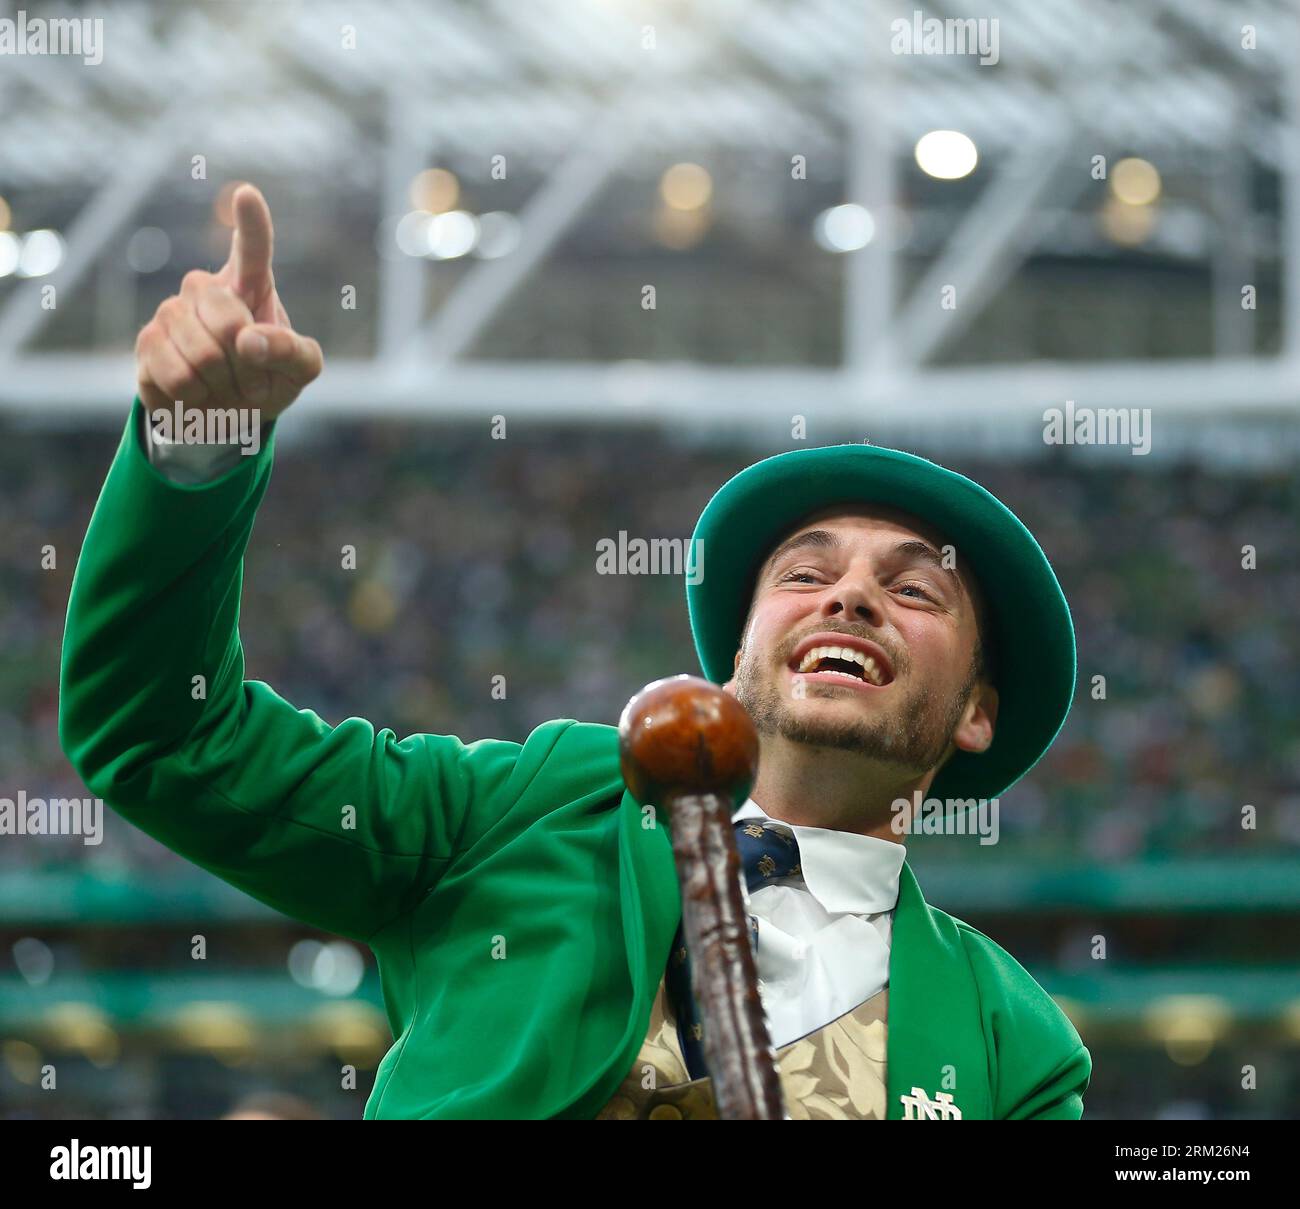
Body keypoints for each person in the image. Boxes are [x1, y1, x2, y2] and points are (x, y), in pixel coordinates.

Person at [59, 185, 1089, 1120]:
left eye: (913, 588)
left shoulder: (1013, 1044)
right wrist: (193, 451)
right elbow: (164, 736)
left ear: (976, 710)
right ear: (736, 659)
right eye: (805, 575)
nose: (853, 594)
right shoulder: (520, 808)